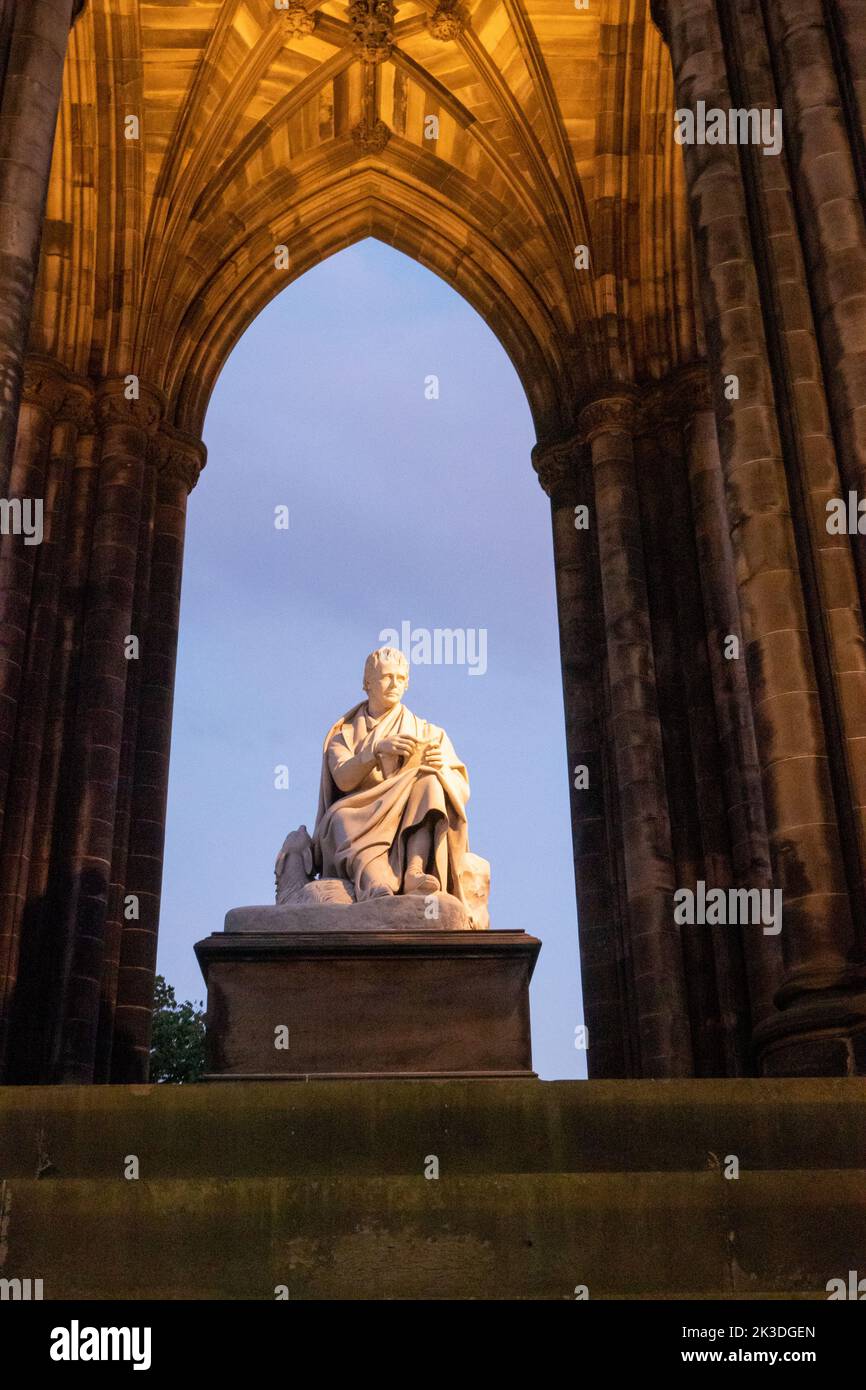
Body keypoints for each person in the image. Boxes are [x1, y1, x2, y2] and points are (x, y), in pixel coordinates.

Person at [313, 647, 471, 905]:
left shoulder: (429, 732)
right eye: (386, 677)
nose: (394, 684)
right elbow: (343, 779)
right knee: (340, 819)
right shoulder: (345, 734)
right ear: (367, 683)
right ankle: (376, 882)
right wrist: (374, 752)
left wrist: (441, 769)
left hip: (406, 809)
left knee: (430, 781)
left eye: (400, 678)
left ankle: (414, 870)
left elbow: (462, 792)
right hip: (359, 811)